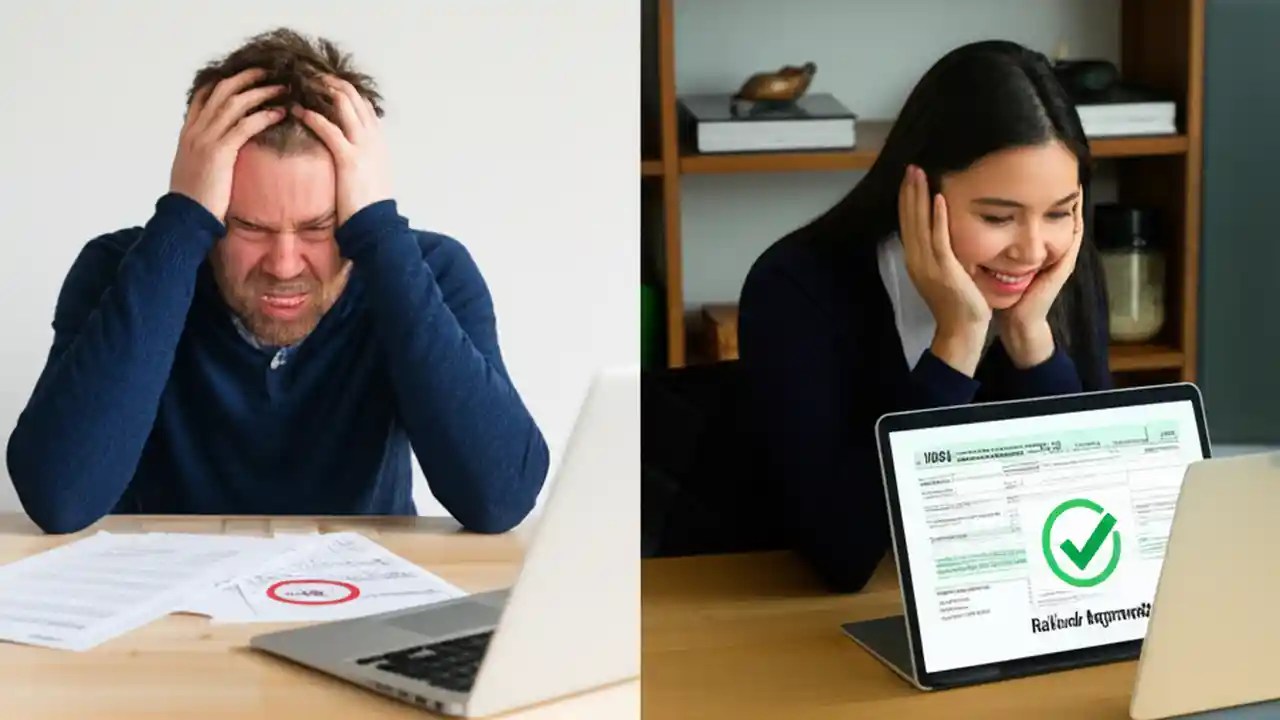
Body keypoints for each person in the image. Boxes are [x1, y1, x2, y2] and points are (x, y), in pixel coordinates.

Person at [6, 28, 549, 535]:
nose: (285, 265)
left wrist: (379, 233)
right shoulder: (119, 268)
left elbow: (498, 498)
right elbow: (61, 498)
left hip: (359, 609)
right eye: (248, 226)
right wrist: (180, 224)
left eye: (318, 227)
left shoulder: (426, 271)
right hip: (160, 619)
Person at [737, 40, 1112, 593]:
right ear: (918, 188)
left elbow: (1094, 518)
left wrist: (1033, 343)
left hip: (1008, 608)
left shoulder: (1063, 275)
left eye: (1060, 213)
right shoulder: (796, 287)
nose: (1033, 251)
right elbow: (843, 555)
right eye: (997, 217)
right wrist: (956, 343)